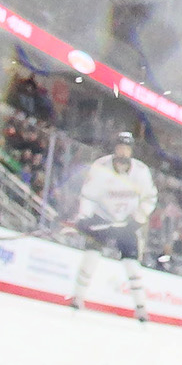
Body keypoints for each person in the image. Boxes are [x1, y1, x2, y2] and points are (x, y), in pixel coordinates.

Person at [68, 131, 157, 321]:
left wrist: (138, 219)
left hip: (126, 223)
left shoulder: (141, 172)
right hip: (102, 217)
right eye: (120, 148)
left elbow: (149, 198)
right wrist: (84, 217)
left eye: (126, 149)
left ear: (131, 151)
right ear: (115, 149)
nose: (123, 152)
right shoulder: (101, 166)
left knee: (132, 265)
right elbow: (88, 196)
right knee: (90, 257)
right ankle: (78, 298)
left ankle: (141, 308)